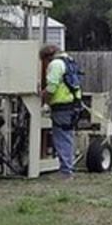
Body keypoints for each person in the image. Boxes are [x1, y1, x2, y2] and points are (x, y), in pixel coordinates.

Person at [40, 44, 81, 179]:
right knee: (67, 137)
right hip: (72, 105)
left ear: (47, 57)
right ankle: (67, 169)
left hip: (62, 107)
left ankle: (66, 172)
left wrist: (43, 97)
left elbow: (52, 88)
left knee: (61, 139)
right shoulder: (69, 61)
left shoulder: (56, 64)